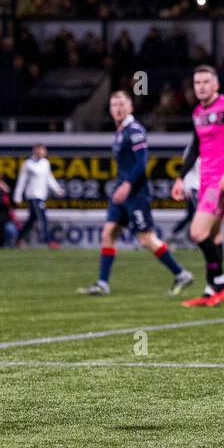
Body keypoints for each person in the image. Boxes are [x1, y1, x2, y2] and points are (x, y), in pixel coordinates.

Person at [78, 90, 192, 296]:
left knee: (146, 239)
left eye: (122, 104)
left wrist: (128, 185)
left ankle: (181, 273)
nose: (118, 108)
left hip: (135, 194)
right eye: (114, 105)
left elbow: (141, 162)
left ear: (131, 107)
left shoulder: (135, 130)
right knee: (108, 234)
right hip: (121, 193)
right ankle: (103, 283)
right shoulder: (121, 131)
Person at [171, 65, 224, 306]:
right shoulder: (197, 112)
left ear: (216, 85)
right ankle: (211, 288)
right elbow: (195, 148)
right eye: (197, 83)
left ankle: (220, 282)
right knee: (213, 234)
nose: (201, 87)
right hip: (206, 178)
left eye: (205, 82)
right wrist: (181, 178)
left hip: (221, 179)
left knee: (197, 232)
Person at [14, 143, 64, 248]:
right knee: (42, 217)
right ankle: (49, 240)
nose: (41, 152)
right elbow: (22, 180)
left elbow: (49, 178)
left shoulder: (45, 163)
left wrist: (57, 189)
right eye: (39, 150)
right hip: (32, 195)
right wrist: (17, 195)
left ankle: (19, 239)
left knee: (32, 219)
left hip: (42, 195)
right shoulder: (28, 164)